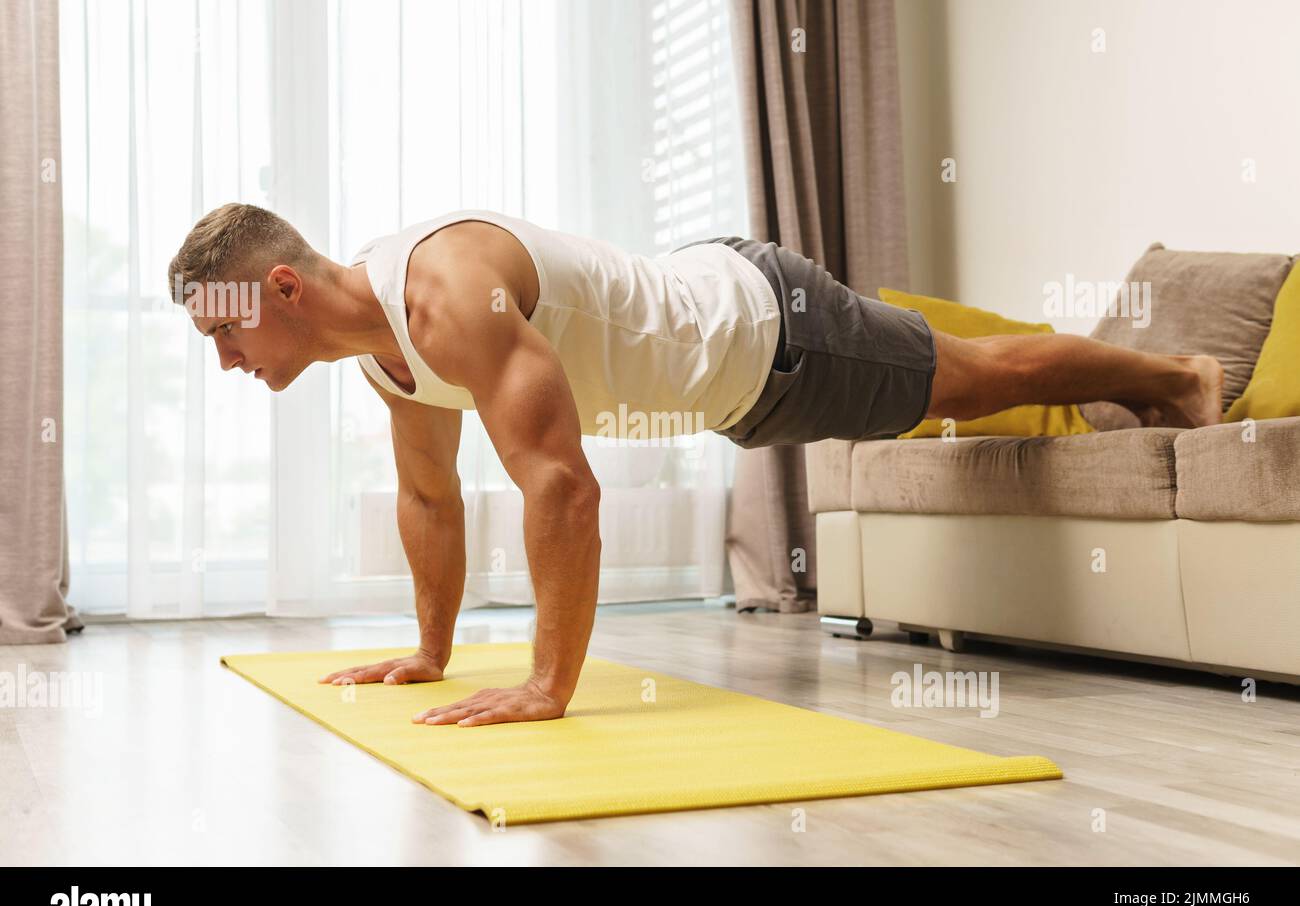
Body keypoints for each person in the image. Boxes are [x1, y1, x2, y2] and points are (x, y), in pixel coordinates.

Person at [169, 203, 1223, 727]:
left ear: (283, 290)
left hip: (766, 332)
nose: (226, 363)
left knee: (964, 378)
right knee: (956, 372)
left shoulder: (446, 290)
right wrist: (432, 654)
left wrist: (547, 684)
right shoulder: (386, 364)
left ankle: (1174, 376)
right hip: (728, 375)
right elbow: (428, 495)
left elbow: (561, 485)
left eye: (224, 333)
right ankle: (1150, 381)